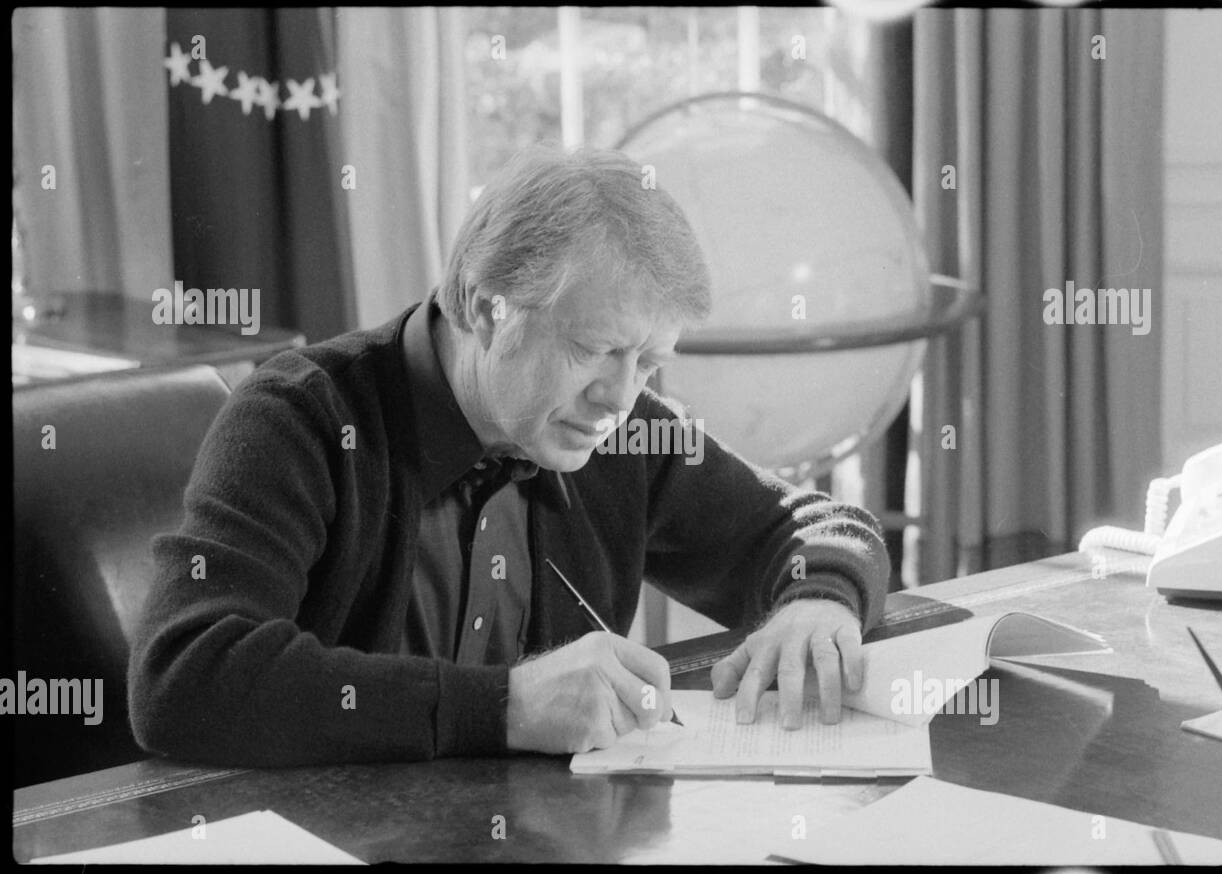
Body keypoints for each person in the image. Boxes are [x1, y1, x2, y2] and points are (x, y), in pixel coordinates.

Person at [129, 143, 890, 766]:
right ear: (492, 307)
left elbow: (811, 525)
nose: (620, 397)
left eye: (650, 362)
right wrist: (505, 708)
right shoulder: (299, 420)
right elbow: (184, 676)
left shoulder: (623, 430)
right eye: (596, 350)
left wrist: (818, 599)